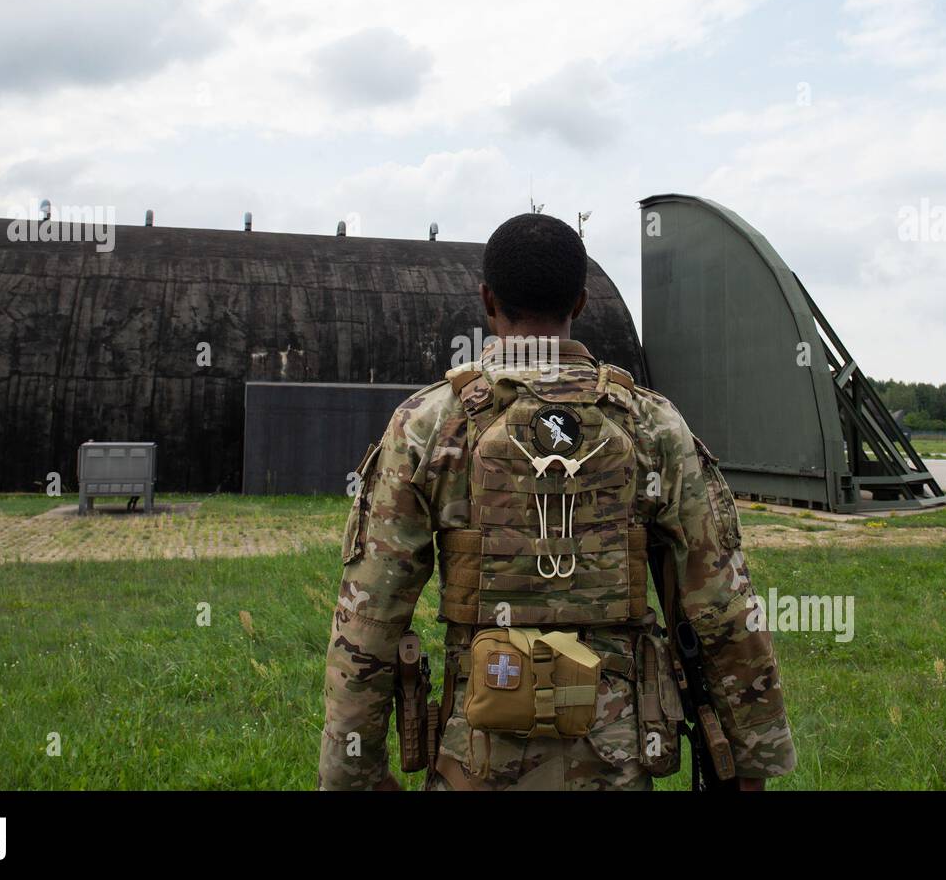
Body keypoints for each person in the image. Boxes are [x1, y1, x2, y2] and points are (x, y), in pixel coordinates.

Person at [318, 212, 795, 790]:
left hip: (475, 759)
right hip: (617, 758)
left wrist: (354, 773)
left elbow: (369, 616)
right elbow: (720, 603)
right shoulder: (651, 424)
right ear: (582, 302)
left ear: (488, 301)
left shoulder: (427, 425)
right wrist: (754, 761)